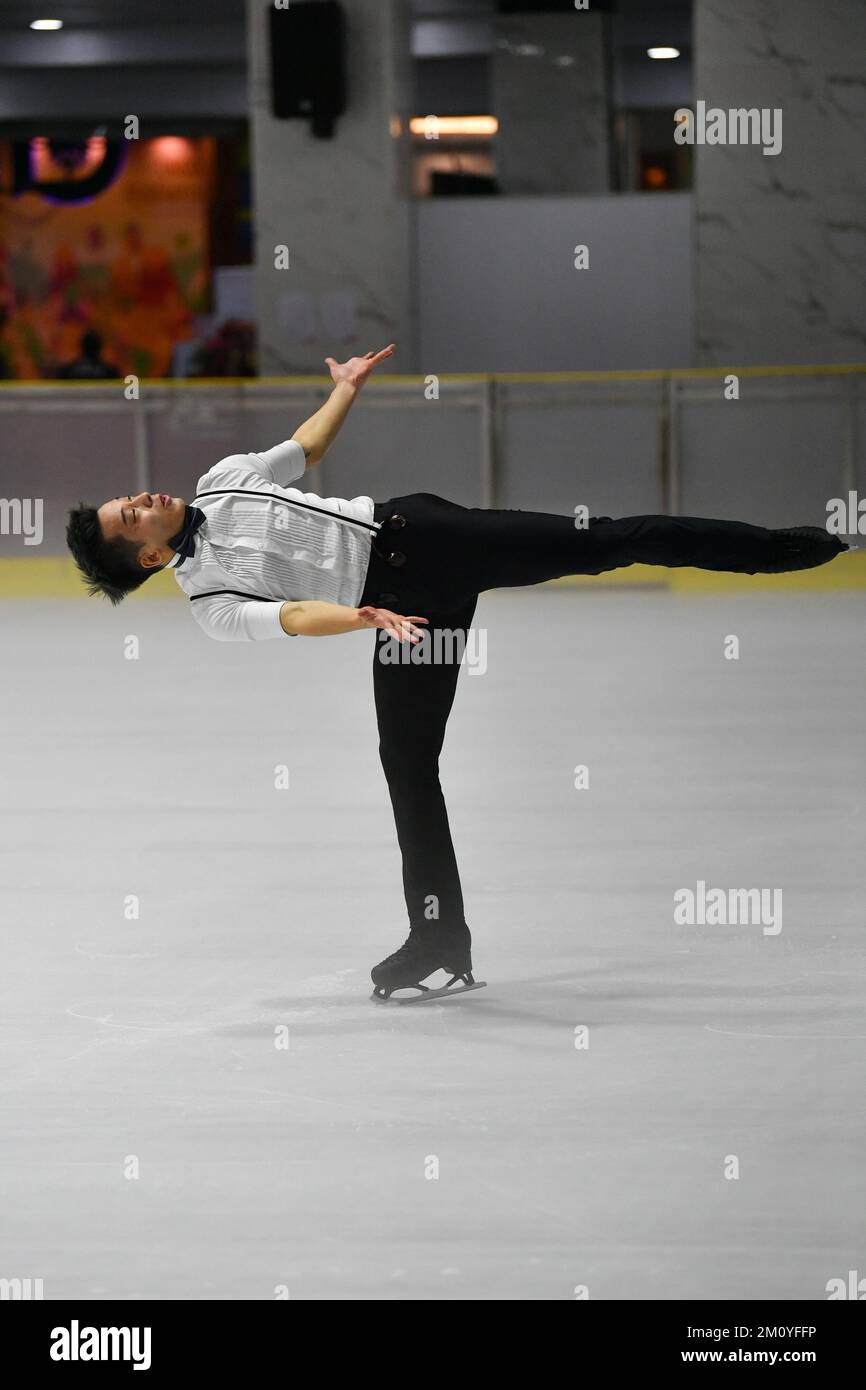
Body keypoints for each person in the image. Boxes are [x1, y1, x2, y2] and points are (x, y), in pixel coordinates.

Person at [66, 344, 849, 1001]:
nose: (139, 498)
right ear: (146, 556)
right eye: (129, 516)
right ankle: (439, 939)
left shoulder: (222, 478)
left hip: (428, 539)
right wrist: (367, 617)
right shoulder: (210, 599)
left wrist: (342, 391)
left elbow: (302, 449)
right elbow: (296, 618)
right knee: (407, 763)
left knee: (608, 540)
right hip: (402, 610)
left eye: (128, 499)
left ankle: (772, 549)